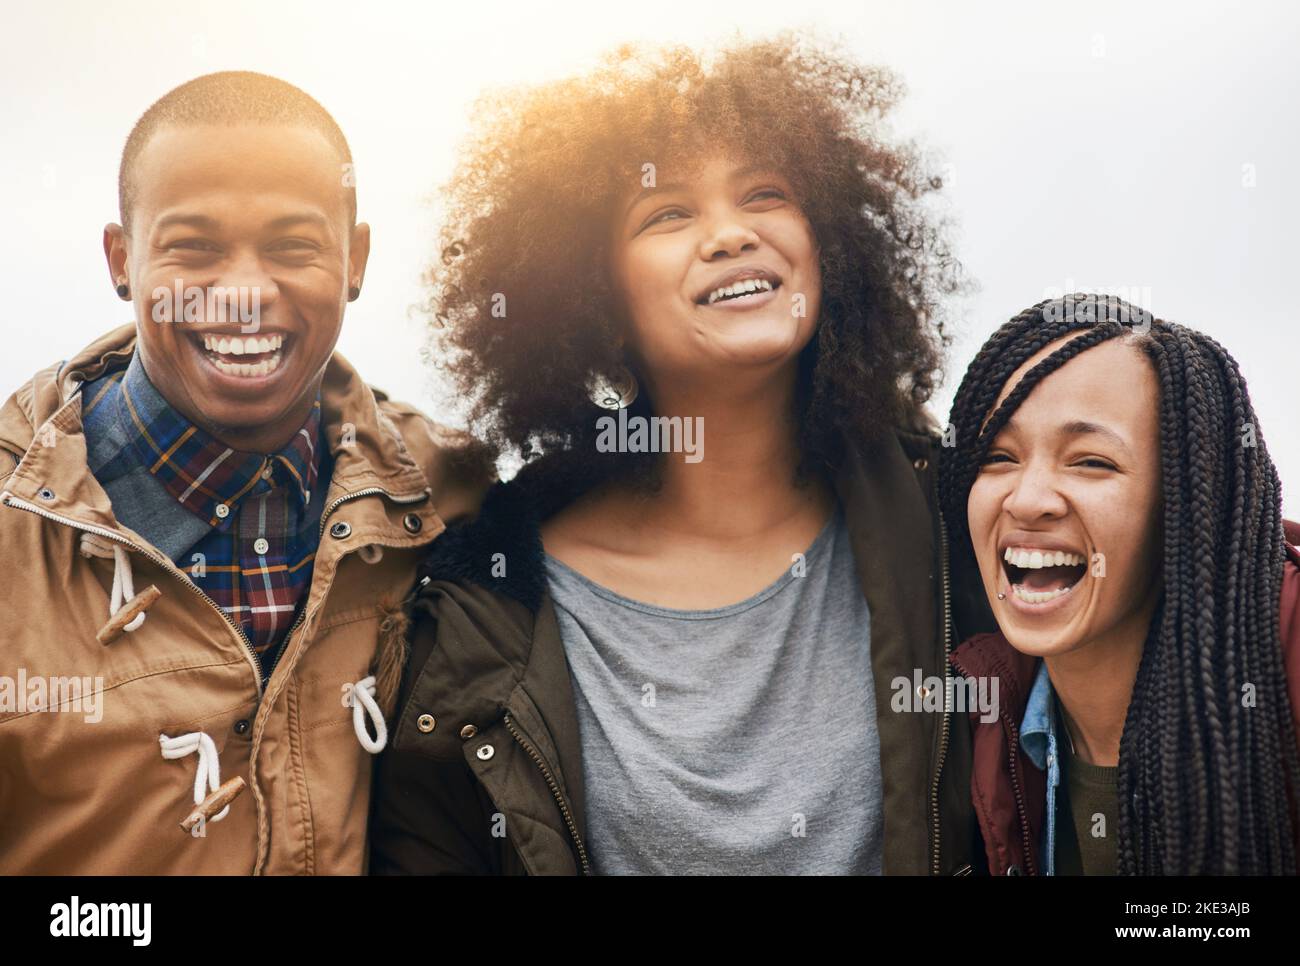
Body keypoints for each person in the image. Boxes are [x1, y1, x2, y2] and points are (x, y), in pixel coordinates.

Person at [370, 34, 995, 875]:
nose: (730, 235)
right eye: (669, 213)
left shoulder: (959, 524)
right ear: (592, 296)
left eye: (766, 194)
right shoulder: (483, 601)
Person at [0, 71, 490, 874]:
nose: (242, 295)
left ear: (355, 259)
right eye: (193, 248)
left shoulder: (440, 494)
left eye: (294, 248)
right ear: (122, 260)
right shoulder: (15, 525)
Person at [939, 293, 1300, 875]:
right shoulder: (974, 712)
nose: (1028, 500)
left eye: (1090, 462)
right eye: (999, 457)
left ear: (1185, 501)